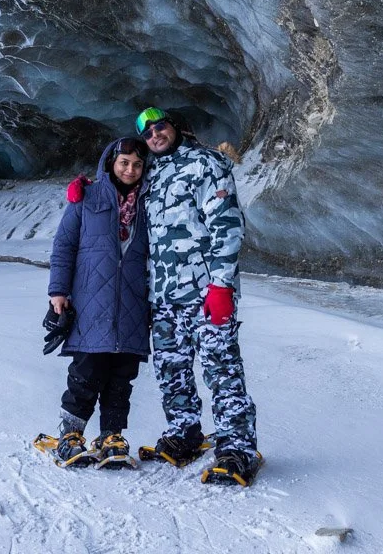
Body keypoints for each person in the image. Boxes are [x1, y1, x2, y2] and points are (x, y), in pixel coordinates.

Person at [135, 105, 260, 486]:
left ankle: (237, 448)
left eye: (159, 127)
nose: (154, 135)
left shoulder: (205, 163)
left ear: (174, 126)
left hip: (206, 291)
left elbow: (227, 224)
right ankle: (185, 432)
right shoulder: (151, 174)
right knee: (171, 369)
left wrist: (221, 285)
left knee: (221, 370)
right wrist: (86, 193)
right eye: (147, 133)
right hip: (164, 294)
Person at [45, 137, 151, 467]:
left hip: (133, 302)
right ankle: (70, 435)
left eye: (137, 164)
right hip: (91, 299)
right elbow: (64, 246)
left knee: (122, 376)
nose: (130, 170)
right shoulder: (86, 197)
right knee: (86, 371)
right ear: (111, 163)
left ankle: (111, 435)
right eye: (124, 163)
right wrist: (58, 292)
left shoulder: (151, 203)